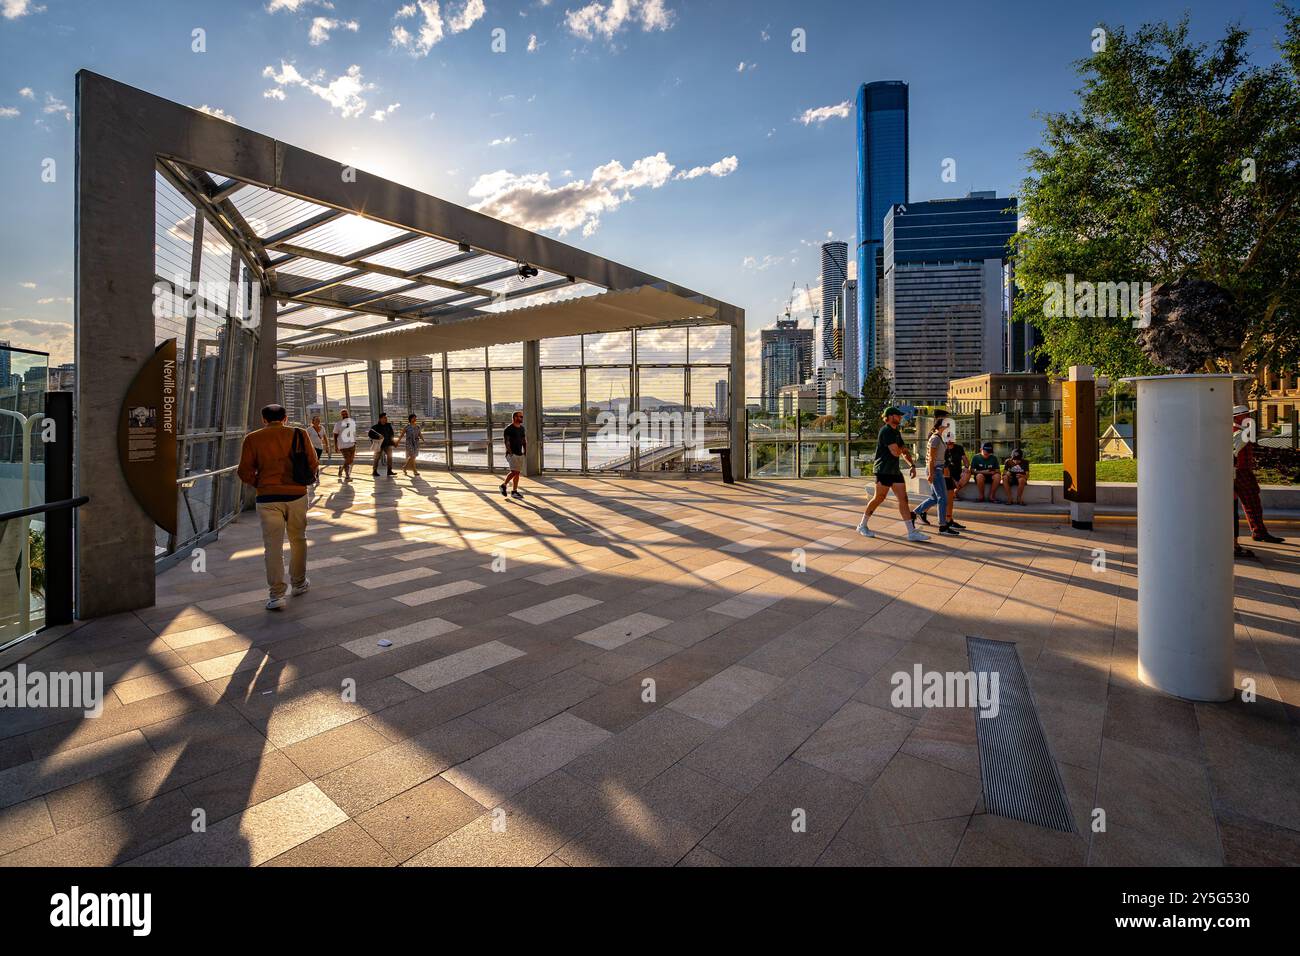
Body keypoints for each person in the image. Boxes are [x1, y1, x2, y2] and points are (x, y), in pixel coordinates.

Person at [237, 403, 318, 610]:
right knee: (298, 540)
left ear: (263, 419)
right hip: (297, 495)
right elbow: (313, 462)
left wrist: (260, 483)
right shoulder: (299, 434)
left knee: (272, 546)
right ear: (286, 418)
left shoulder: (253, 438)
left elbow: (244, 472)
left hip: (267, 498)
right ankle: (298, 583)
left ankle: (276, 595)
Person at [857, 406, 928, 542]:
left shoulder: (896, 432)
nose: (900, 417)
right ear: (889, 417)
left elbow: (904, 451)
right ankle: (862, 525)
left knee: (904, 499)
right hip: (883, 470)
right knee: (879, 498)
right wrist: (900, 450)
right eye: (897, 415)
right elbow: (896, 451)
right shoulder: (886, 431)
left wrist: (912, 465)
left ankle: (911, 532)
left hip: (894, 470)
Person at [1234, 404, 1284, 555]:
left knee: (1250, 503)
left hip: (1238, 471)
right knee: (1252, 502)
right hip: (1240, 472)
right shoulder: (1239, 432)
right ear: (1238, 417)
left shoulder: (1239, 431)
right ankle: (1258, 531)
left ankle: (1258, 531)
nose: (1248, 418)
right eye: (1245, 415)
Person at [911, 413, 959, 536]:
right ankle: (943, 526)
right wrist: (931, 474)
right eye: (945, 425)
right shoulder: (935, 438)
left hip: (937, 469)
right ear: (940, 426)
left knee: (934, 498)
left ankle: (914, 513)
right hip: (936, 470)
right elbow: (931, 458)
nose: (947, 427)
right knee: (942, 498)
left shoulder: (938, 437)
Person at [943, 437, 970, 531]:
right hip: (947, 475)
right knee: (938, 498)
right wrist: (954, 481)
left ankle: (955, 491)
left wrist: (966, 467)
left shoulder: (959, 447)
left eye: (952, 439)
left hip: (958, 473)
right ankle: (947, 521)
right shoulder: (943, 450)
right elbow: (944, 468)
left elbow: (965, 459)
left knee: (967, 473)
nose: (950, 441)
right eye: (948, 439)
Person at [500, 409, 527, 500]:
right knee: (514, 471)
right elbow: (506, 441)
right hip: (512, 454)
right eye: (520, 416)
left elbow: (523, 440)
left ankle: (514, 491)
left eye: (522, 416)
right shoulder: (509, 429)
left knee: (517, 473)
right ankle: (504, 485)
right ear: (515, 417)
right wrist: (510, 453)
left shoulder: (522, 428)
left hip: (519, 453)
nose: (522, 418)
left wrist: (525, 450)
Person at [332, 408, 356, 482]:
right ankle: (347, 476)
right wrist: (335, 446)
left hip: (352, 444)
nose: (345, 415)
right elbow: (335, 435)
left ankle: (341, 468)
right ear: (341, 415)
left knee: (350, 460)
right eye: (343, 414)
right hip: (343, 445)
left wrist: (355, 442)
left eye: (346, 414)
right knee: (347, 459)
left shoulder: (352, 422)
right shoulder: (338, 424)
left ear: (348, 414)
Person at [370, 412, 396, 477]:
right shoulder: (375, 427)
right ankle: (374, 471)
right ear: (380, 419)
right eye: (384, 418)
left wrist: (393, 442)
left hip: (388, 444)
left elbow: (392, 434)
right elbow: (370, 434)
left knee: (390, 457)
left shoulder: (388, 426)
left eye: (386, 418)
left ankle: (389, 471)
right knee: (377, 458)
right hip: (379, 445)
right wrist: (378, 437)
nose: (386, 419)